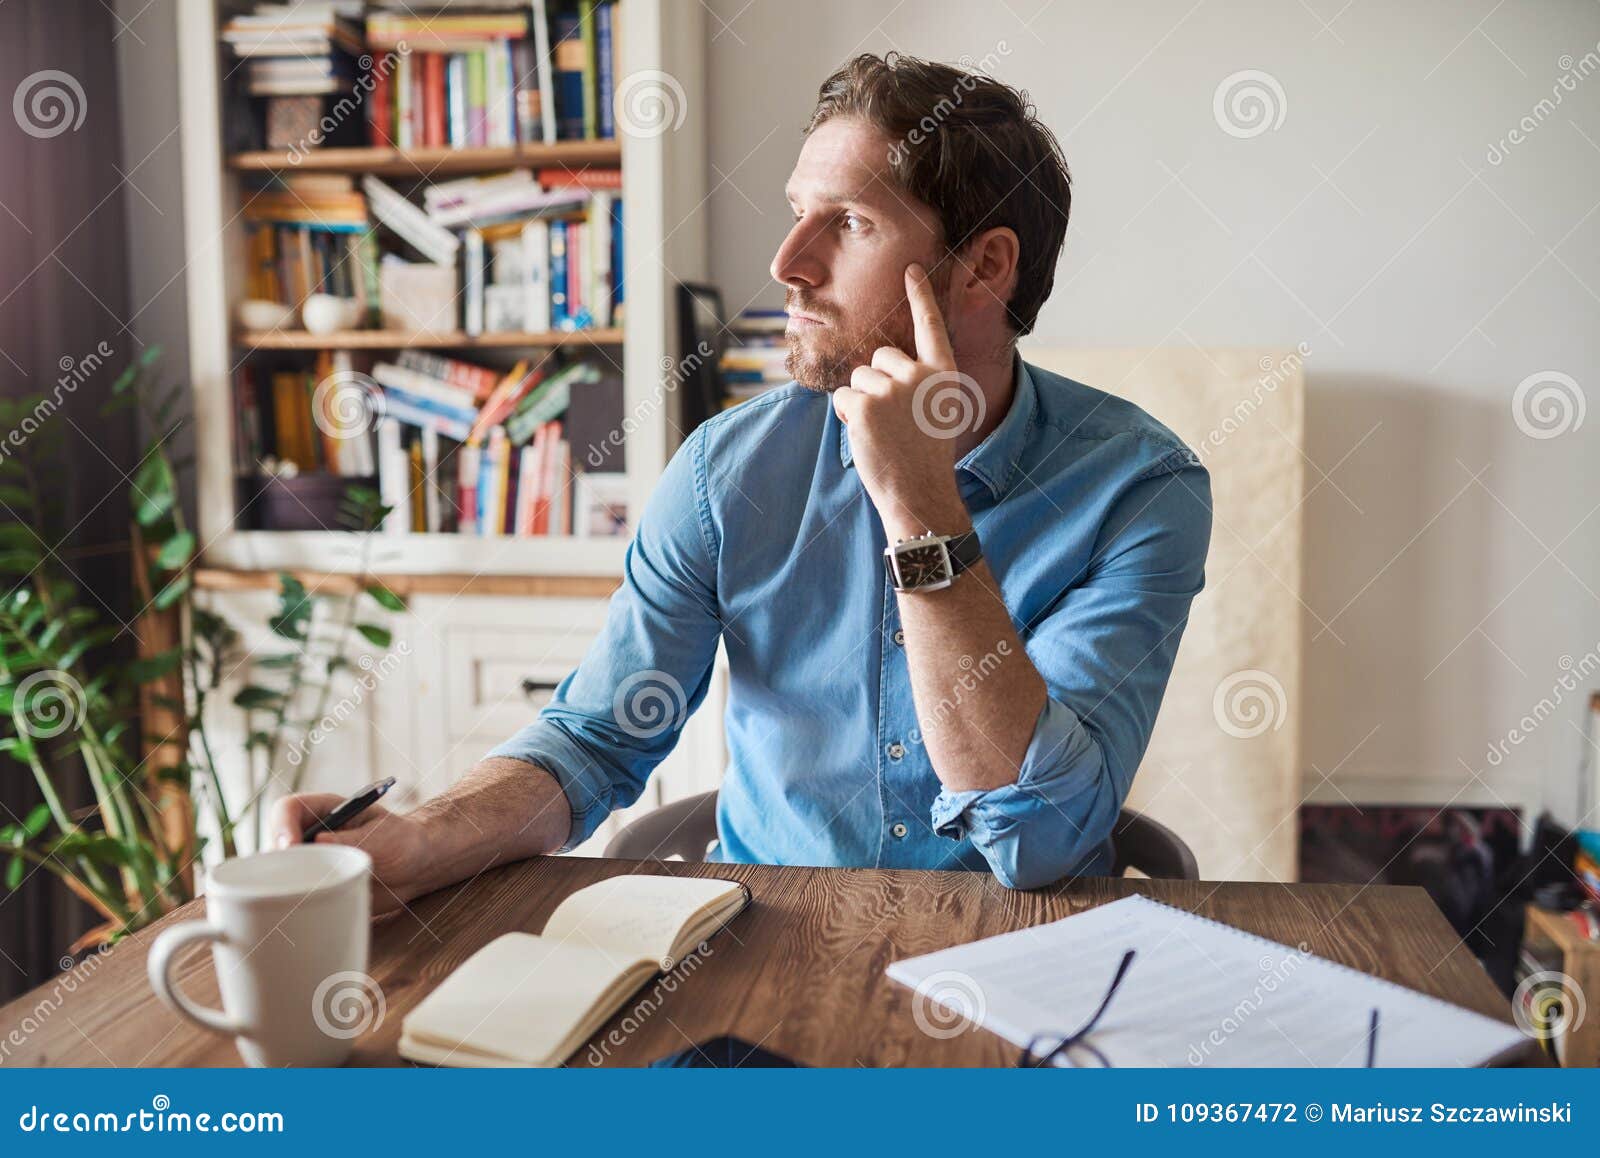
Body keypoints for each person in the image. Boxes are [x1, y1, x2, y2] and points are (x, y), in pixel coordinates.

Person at [271, 52, 1212, 910]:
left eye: (849, 222)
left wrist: (919, 509)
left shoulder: (1139, 489)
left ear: (986, 266)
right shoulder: (728, 471)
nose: (788, 264)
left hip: (1025, 959)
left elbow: (1038, 840)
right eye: (796, 211)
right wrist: (415, 839)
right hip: (765, 951)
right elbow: (597, 738)